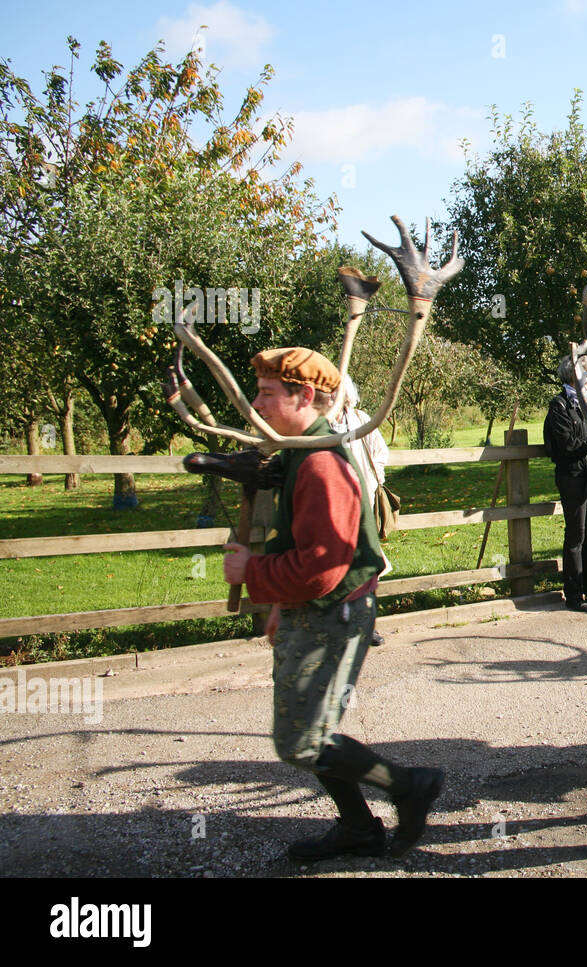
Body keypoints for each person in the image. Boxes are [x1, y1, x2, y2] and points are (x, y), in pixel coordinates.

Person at [222, 348, 443, 861]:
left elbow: (322, 568)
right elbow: (295, 540)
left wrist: (251, 573)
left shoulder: (321, 464)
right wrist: (277, 599)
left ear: (304, 396)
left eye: (267, 395)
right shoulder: (300, 451)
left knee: (300, 742)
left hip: (334, 614)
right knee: (314, 729)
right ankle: (359, 829)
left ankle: (409, 786)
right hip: (311, 610)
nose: (256, 404)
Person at [544, 354, 587, 612]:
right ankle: (573, 596)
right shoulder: (559, 405)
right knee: (576, 535)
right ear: (576, 375)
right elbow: (564, 444)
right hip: (572, 475)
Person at [331, 375, 393, 643]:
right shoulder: (320, 425)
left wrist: (369, 479)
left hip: (361, 503)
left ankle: (367, 626)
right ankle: (339, 625)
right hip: (332, 505)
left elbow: (380, 452)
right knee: (336, 564)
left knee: (367, 564)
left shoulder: (359, 418)